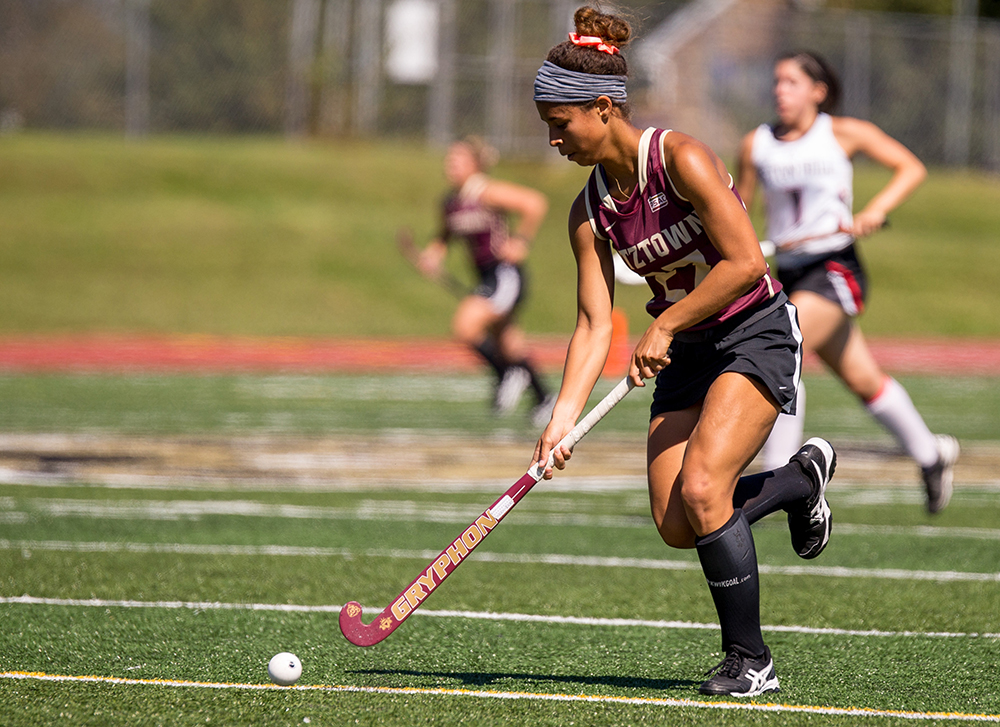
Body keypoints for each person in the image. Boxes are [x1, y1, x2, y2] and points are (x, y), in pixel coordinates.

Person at [532, 7, 837, 698]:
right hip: (685, 353)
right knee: (678, 522)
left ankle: (750, 659)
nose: (553, 140)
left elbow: (745, 261)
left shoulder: (681, 158)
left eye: (560, 124)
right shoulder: (589, 210)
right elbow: (591, 320)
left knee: (705, 492)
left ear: (603, 108)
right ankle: (798, 481)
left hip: (752, 329)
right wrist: (561, 418)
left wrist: (666, 324)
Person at [736, 51, 959, 514]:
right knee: (863, 379)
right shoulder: (756, 144)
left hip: (835, 268)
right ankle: (932, 455)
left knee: (783, 341)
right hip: (790, 271)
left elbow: (910, 167)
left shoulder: (842, 133)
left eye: (792, 82)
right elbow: (736, 210)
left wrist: (876, 209)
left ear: (818, 91)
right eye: (777, 81)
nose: (780, 90)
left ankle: (781, 480)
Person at [417, 137, 555, 425]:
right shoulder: (451, 201)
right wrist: (434, 254)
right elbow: (445, 235)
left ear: (475, 164)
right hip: (484, 277)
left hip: (504, 274)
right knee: (510, 345)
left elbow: (534, 203)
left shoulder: (488, 192)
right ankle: (544, 398)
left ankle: (507, 372)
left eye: (457, 160)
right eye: (449, 160)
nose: (450, 165)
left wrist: (520, 240)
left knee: (466, 326)